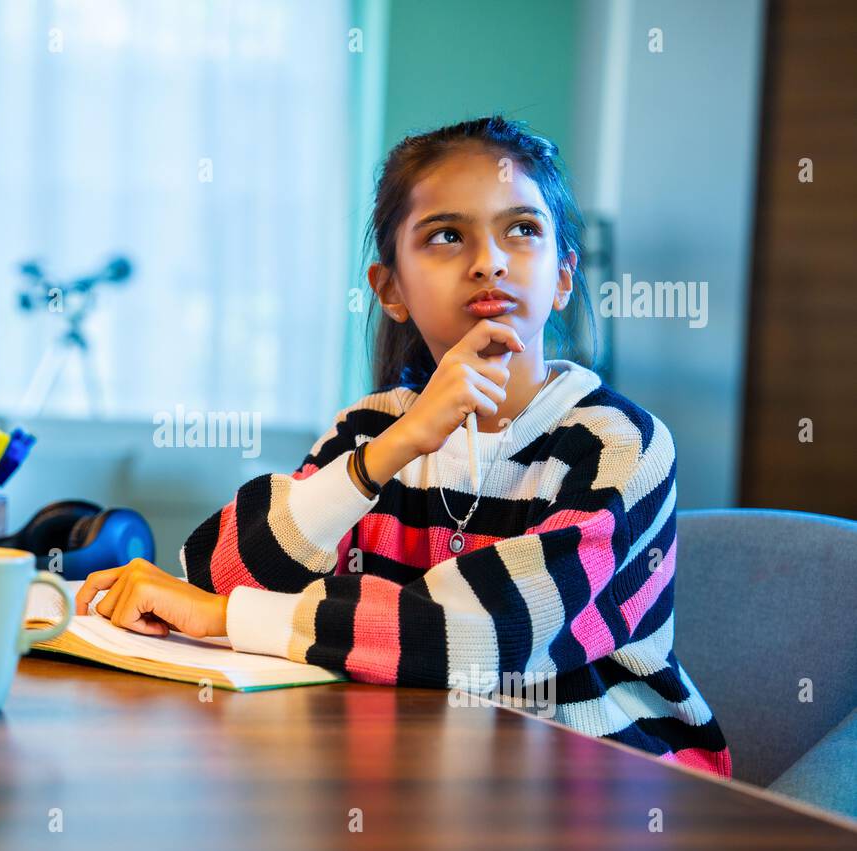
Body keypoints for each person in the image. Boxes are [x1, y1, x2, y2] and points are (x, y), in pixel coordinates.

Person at [74, 115, 731, 779]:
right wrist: (396, 446)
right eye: (448, 235)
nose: (489, 262)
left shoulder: (618, 445)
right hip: (427, 772)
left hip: (604, 789)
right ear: (390, 288)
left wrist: (226, 618)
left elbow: (487, 635)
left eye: (522, 230)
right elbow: (218, 572)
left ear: (563, 276)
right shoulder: (370, 431)